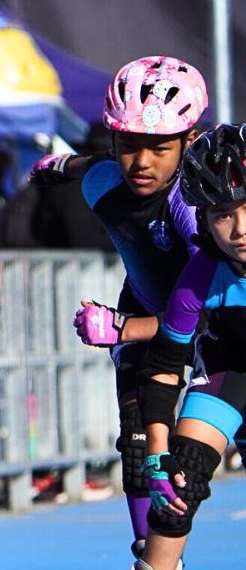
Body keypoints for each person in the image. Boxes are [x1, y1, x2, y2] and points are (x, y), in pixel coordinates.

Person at [30, 56, 207, 563]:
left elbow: (206, 311)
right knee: (137, 445)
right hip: (146, 313)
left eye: (160, 148)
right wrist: (60, 166)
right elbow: (90, 165)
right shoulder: (101, 179)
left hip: (211, 329)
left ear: (189, 144)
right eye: (128, 145)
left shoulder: (191, 209)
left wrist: (124, 327)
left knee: (189, 459)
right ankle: (147, 556)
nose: (142, 162)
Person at [131, 124, 246, 570]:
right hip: (228, 372)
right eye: (222, 214)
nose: (239, 229)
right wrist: (159, 455)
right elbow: (163, 364)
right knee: (180, 481)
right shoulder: (200, 275)